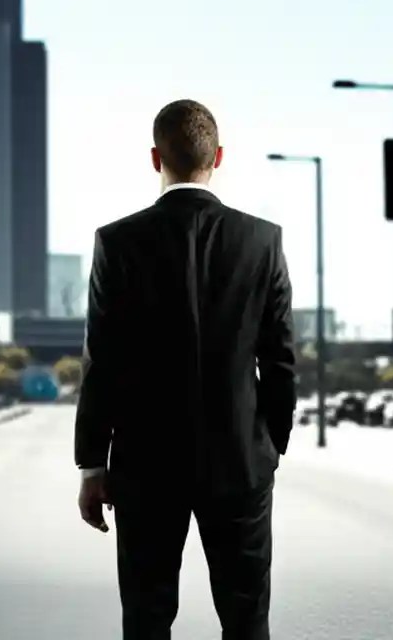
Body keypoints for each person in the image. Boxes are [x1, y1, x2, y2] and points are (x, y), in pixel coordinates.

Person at [75, 99, 298, 639]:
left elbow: (102, 363)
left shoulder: (117, 242)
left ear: (156, 158)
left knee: (147, 620)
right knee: (247, 620)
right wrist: (270, 445)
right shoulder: (263, 241)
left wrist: (91, 464)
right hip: (240, 463)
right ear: (218, 156)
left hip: (146, 466)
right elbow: (281, 358)